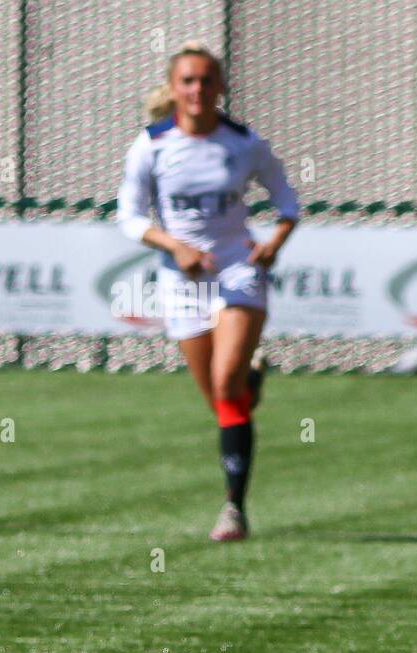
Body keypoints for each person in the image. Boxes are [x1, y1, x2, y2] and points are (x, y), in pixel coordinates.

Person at [117, 42, 298, 541]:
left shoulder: (244, 142)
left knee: (223, 386)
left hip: (239, 271)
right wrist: (174, 245)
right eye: (188, 81)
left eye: (206, 80)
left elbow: (287, 199)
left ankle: (233, 510)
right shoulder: (151, 145)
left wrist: (276, 240)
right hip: (183, 280)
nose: (198, 90)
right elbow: (129, 217)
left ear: (220, 86)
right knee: (223, 400)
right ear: (174, 89)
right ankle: (251, 385)